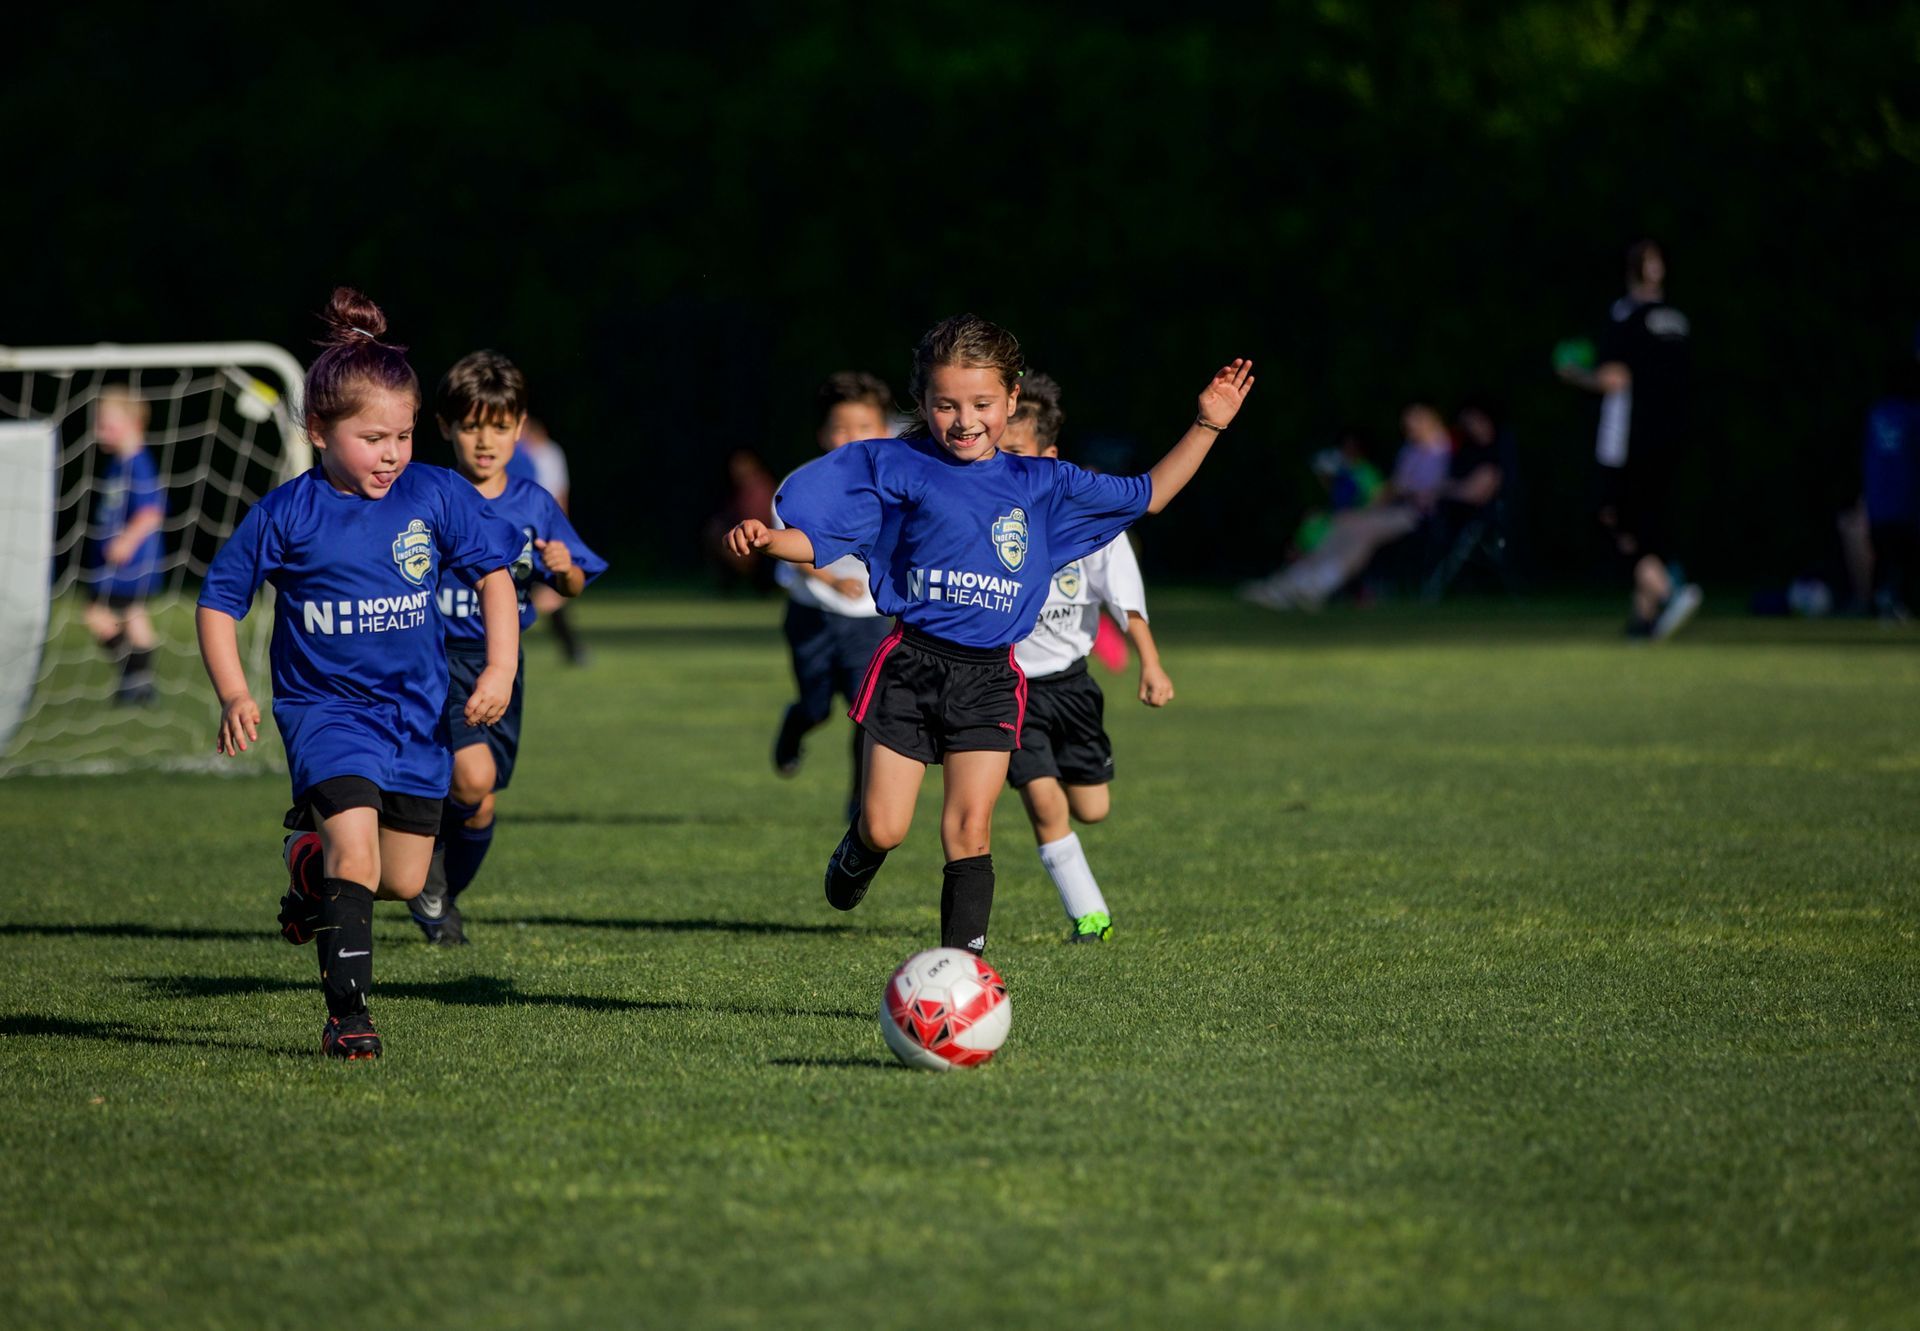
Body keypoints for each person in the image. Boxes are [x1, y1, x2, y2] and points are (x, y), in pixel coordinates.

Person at [729, 313, 1253, 956]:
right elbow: (824, 539)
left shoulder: (1043, 484)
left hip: (989, 678)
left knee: (969, 829)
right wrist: (768, 540)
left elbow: (1149, 496)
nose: (964, 420)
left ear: (1012, 398)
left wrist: (1209, 424)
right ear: (920, 403)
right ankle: (859, 851)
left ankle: (962, 971)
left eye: (982, 403)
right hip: (910, 665)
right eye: (945, 404)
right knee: (886, 828)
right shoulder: (894, 465)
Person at [195, 289, 523, 1059]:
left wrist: (500, 666)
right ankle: (349, 1015)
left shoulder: (434, 494)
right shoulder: (288, 513)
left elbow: (496, 577)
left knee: (405, 878)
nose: (392, 453)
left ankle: (307, 863)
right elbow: (218, 601)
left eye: (404, 435)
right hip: (327, 713)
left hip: (416, 715)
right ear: (318, 431)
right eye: (373, 437)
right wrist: (235, 691)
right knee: (359, 855)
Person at [409, 352, 608, 945]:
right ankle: (418, 874)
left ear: (520, 428)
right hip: (430, 661)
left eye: (499, 427)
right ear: (445, 427)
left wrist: (564, 568)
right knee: (473, 776)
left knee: (483, 802)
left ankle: (438, 895)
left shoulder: (533, 503)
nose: (485, 441)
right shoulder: (423, 494)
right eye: (471, 426)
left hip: (502, 664)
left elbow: (573, 583)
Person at [998, 371, 1173, 944]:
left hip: (1073, 686)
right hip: (1009, 686)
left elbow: (1125, 599)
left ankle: (1085, 895)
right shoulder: (984, 518)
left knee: (1091, 809)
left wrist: (1150, 663)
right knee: (1045, 804)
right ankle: (1090, 916)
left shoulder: (1087, 521)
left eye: (1017, 453)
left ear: (1050, 457)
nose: (1004, 463)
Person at [1558, 238, 1703, 639]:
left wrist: (1575, 375)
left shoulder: (1625, 315)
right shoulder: (1677, 319)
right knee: (1650, 525)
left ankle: (1671, 592)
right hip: (1671, 438)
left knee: (1610, 522)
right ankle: (1643, 619)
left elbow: (1615, 377)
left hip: (1627, 440)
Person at [770, 372, 898, 819]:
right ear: (824, 434)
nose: (852, 438)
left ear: (883, 431)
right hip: (813, 615)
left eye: (864, 428)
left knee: (869, 713)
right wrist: (831, 580)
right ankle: (795, 725)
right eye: (842, 428)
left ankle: (860, 804)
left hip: (870, 620)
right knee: (817, 706)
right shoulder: (802, 483)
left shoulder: (898, 485)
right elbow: (784, 547)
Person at [1240, 403, 1453, 610]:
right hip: (1391, 510)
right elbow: (1394, 487)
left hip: (1415, 515)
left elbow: (1423, 489)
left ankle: (1313, 587)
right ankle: (1287, 586)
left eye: (1416, 420)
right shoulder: (1411, 450)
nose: (1411, 426)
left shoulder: (1441, 450)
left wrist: (1396, 492)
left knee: (1359, 534)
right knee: (1342, 526)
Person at [82, 386, 166, 705]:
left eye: (105, 423)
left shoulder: (138, 463)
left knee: (98, 613)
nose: (98, 431)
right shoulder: (117, 464)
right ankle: (138, 682)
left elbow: (150, 511)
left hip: (131, 560)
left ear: (133, 423)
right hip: (118, 560)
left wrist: (127, 542)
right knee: (131, 615)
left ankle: (135, 678)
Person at [510, 416, 590, 665]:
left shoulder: (547, 455)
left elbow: (558, 495)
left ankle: (572, 649)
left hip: (540, 531)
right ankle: (572, 649)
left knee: (550, 592)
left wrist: (559, 530)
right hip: (518, 530)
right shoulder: (513, 457)